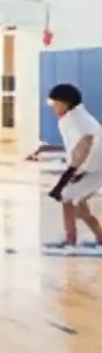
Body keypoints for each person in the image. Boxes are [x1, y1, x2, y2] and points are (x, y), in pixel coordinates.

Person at [43, 84, 102, 253]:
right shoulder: (74, 118)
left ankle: (71, 240)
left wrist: (71, 172)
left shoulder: (76, 120)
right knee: (78, 203)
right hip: (90, 168)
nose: (53, 107)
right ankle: (97, 236)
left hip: (95, 168)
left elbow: (85, 145)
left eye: (54, 103)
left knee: (68, 197)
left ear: (64, 103)